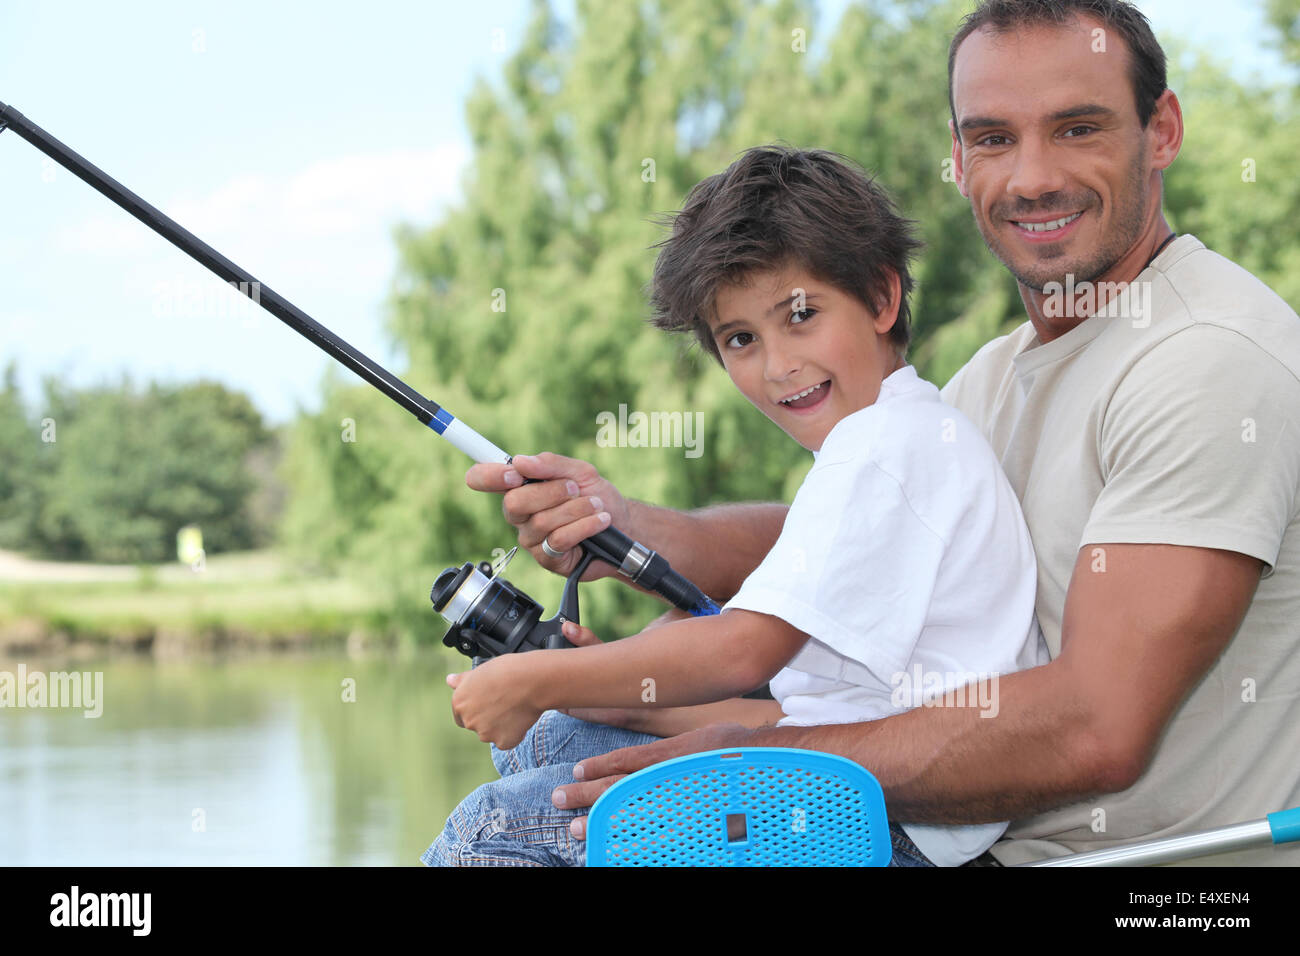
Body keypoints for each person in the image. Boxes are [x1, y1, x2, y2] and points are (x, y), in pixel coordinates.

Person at [450, 0, 1300, 866]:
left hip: (1112, 880)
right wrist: (621, 526)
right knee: (551, 743)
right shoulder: (991, 377)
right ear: (960, 161)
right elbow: (848, 543)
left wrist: (760, 760)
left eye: (1077, 128)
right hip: (956, 835)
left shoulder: (1205, 360)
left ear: (1162, 130)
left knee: (496, 833)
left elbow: (1096, 728)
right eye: (994, 138)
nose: (1033, 175)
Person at [423, 146, 1045, 867]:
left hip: (890, 828)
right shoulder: (892, 439)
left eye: (801, 315)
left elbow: (741, 648)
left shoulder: (883, 450)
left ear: (881, 299)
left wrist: (535, 676)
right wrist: (619, 695)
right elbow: (806, 715)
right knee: (552, 737)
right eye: (741, 339)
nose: (778, 364)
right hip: (845, 786)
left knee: (488, 830)